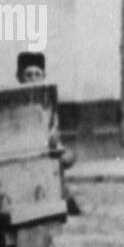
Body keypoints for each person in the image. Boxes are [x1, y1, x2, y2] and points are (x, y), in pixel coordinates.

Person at [18, 52, 80, 216]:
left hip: (43, 147)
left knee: (65, 157)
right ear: (19, 77)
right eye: (28, 75)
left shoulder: (47, 101)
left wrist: (55, 143)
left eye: (37, 74)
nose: (33, 79)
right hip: (22, 149)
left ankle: (61, 197)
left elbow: (53, 130)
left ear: (44, 76)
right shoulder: (15, 102)